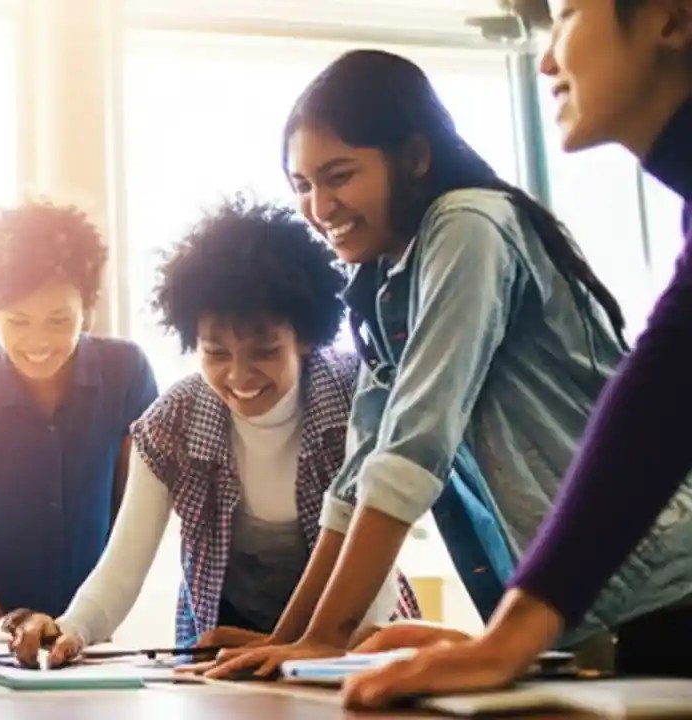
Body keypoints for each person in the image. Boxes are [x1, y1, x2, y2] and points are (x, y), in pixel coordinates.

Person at [206, 48, 692, 681]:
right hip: (587, 612)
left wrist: (325, 638)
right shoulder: (383, 282)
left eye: (340, 175)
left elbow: (416, 442)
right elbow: (363, 470)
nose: (319, 207)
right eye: (303, 185)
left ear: (414, 158)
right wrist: (292, 636)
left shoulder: (468, 226)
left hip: (662, 587)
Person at [345, 0, 692, 706]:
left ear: (670, 16)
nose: (546, 58)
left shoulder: (468, 223)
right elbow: (662, 397)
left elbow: (657, 407)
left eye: (566, 15)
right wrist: (515, 637)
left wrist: (513, 638)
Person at [6, 198, 421, 669]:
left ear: (304, 338)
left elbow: (374, 560)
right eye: (216, 353)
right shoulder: (172, 422)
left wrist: (312, 650)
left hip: (354, 639)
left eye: (264, 351)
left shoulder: (356, 397)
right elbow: (122, 565)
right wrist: (72, 629)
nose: (240, 377)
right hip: (225, 643)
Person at [0, 200, 158, 642]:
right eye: (17, 321)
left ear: (87, 305)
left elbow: (132, 511)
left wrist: (87, 620)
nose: (38, 341)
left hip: (80, 632)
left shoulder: (126, 372)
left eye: (59, 320)